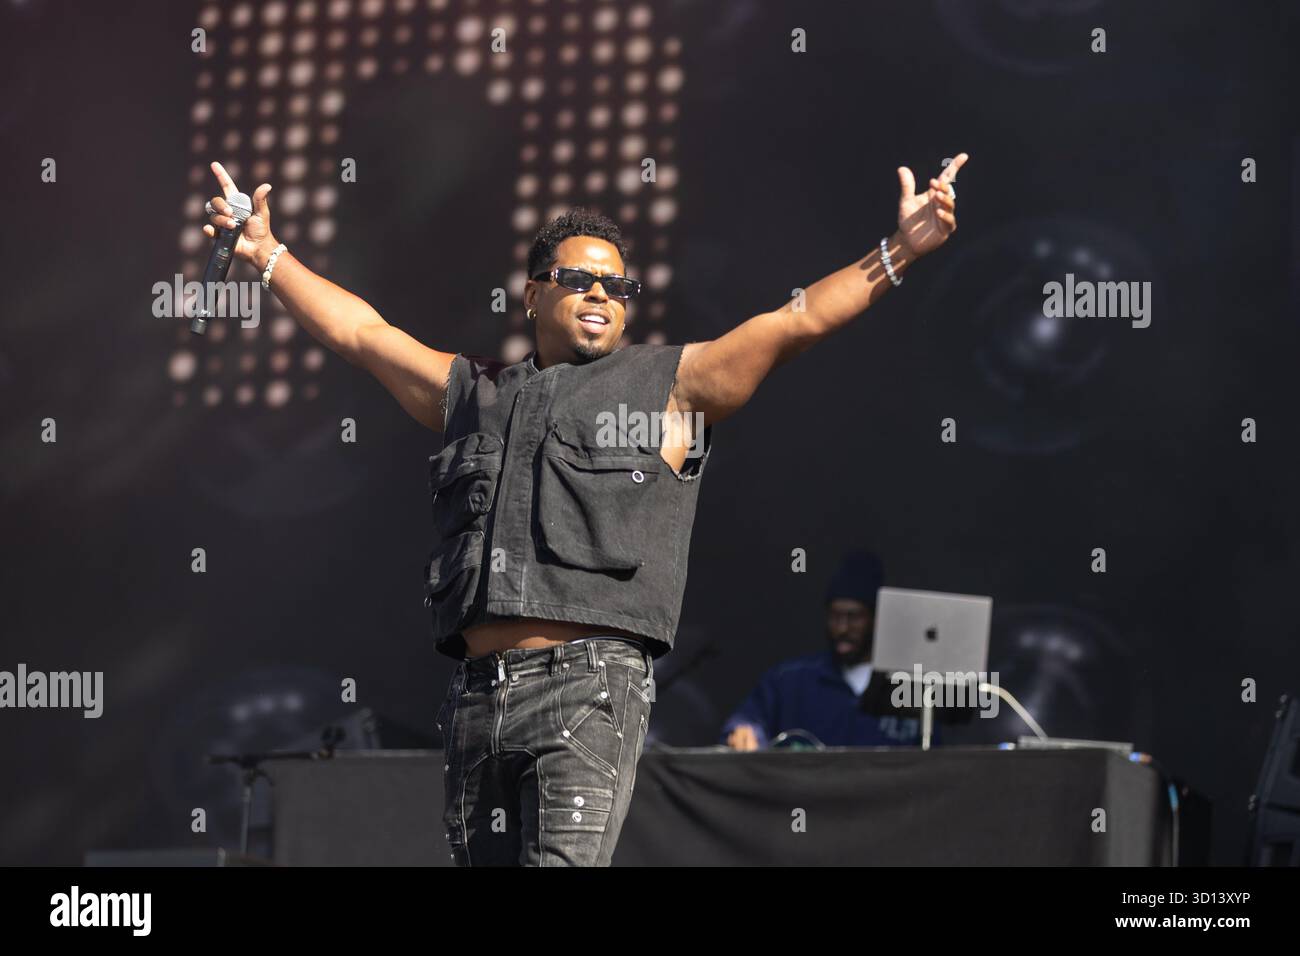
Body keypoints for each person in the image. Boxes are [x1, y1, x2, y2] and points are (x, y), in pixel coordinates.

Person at [199, 151, 968, 865]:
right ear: (533, 293)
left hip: (587, 689)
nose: (603, 293)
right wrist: (267, 255)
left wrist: (899, 251)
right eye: (580, 279)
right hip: (475, 699)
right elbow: (363, 333)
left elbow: (793, 323)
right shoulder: (476, 390)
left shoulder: (670, 387)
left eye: (620, 287)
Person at [722, 551, 928, 750]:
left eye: (854, 617)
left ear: (877, 619)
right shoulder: (790, 681)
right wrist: (742, 732)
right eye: (834, 616)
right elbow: (748, 723)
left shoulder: (908, 688)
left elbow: (933, 767)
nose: (842, 628)